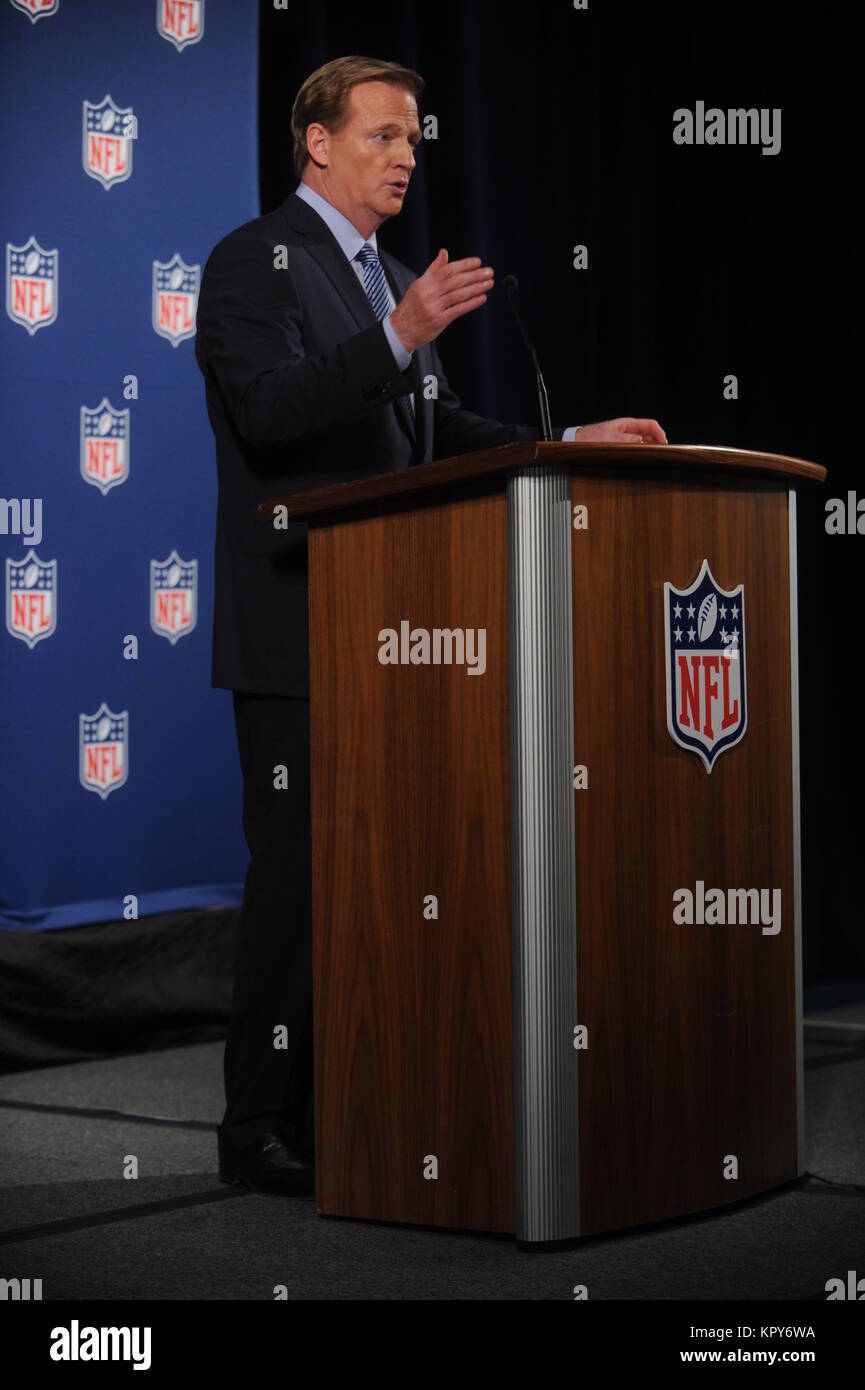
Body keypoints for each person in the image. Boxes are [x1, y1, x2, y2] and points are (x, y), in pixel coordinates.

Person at [194, 54, 667, 1195]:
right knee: (302, 878)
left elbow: (432, 428)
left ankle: (364, 1093)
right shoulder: (252, 262)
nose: (408, 156)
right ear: (317, 142)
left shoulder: (391, 275)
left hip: (400, 634)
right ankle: (259, 1124)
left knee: (390, 874)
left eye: (415, 138)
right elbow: (270, 413)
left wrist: (559, 445)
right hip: (300, 628)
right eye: (383, 135)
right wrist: (397, 333)